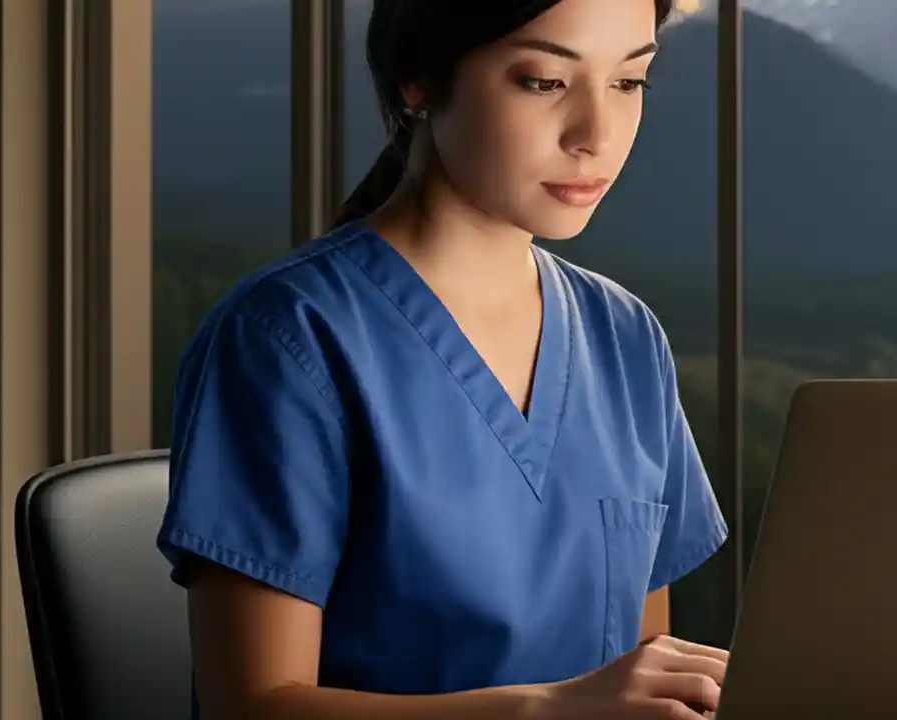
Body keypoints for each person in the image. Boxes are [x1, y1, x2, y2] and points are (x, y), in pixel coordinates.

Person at [156, 0, 730, 718]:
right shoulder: (287, 337)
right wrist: (545, 711)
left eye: (629, 83)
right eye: (544, 82)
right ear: (418, 81)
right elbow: (251, 705)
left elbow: (647, 679)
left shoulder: (626, 338)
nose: (597, 136)